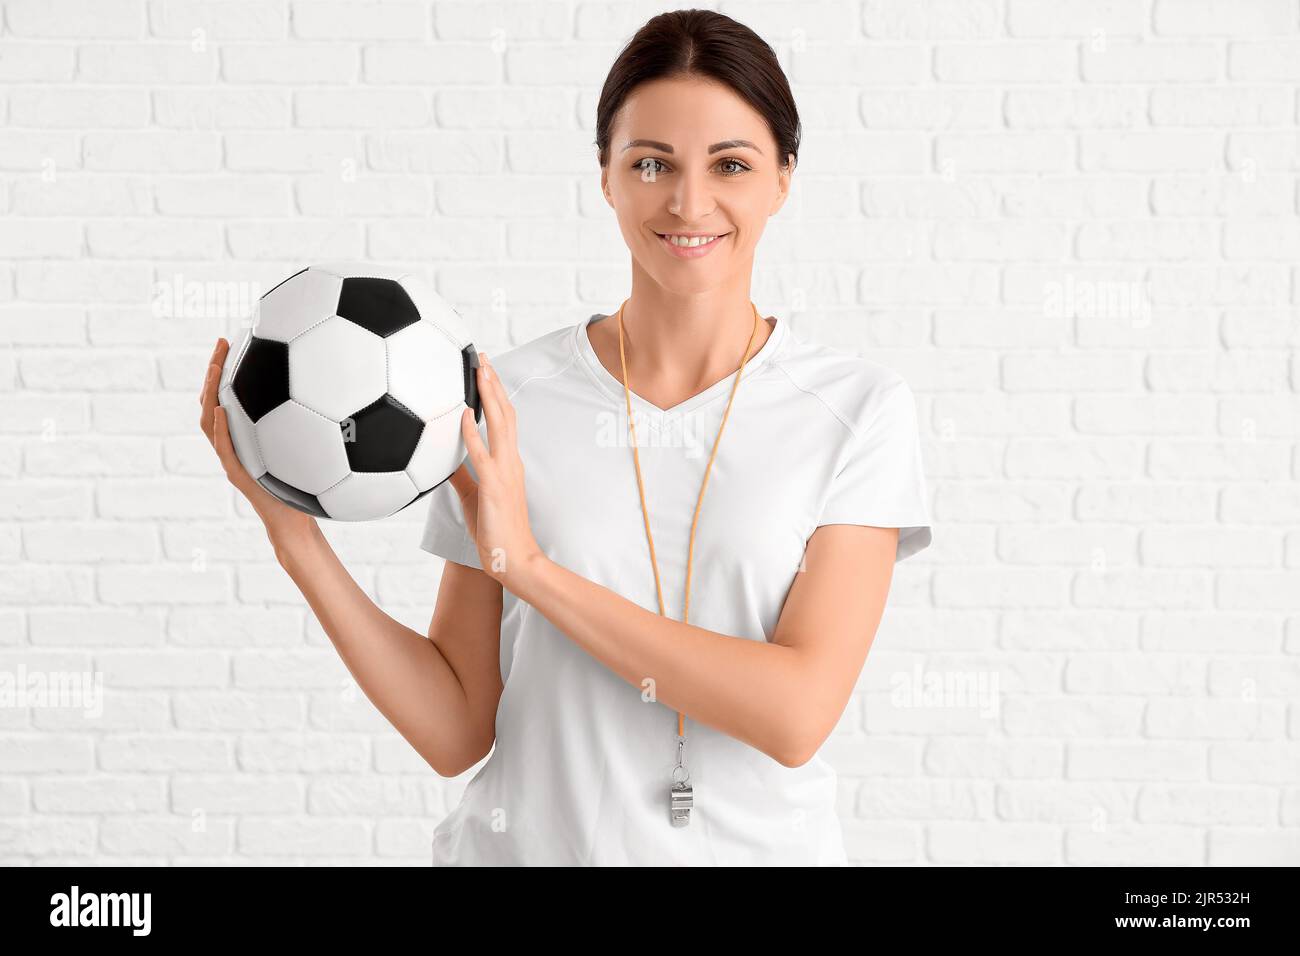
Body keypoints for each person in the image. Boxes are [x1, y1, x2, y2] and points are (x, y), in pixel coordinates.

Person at [199, 9, 932, 866]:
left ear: (782, 180)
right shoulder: (497, 402)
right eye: (651, 163)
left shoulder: (856, 410)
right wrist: (294, 536)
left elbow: (797, 714)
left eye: (730, 164)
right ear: (606, 177)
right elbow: (454, 730)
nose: (689, 203)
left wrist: (534, 573)